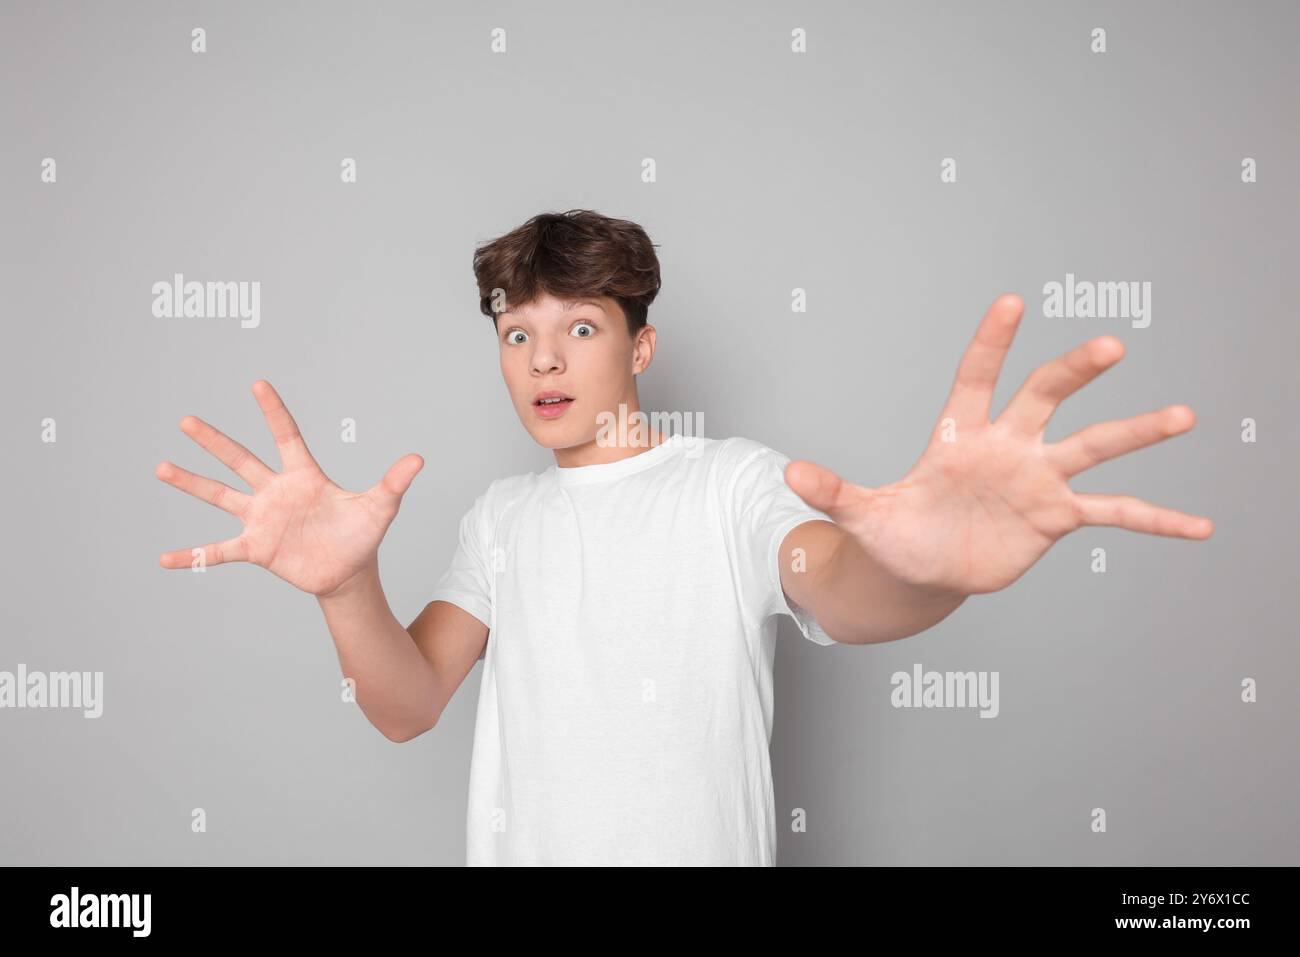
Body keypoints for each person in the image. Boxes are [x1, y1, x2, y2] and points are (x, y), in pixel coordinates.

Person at [155, 209, 1213, 866]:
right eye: (515, 334)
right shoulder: (502, 519)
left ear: (641, 343)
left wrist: (926, 572)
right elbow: (407, 705)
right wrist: (345, 589)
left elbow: (840, 586)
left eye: (579, 327)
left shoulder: (732, 484)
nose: (542, 362)